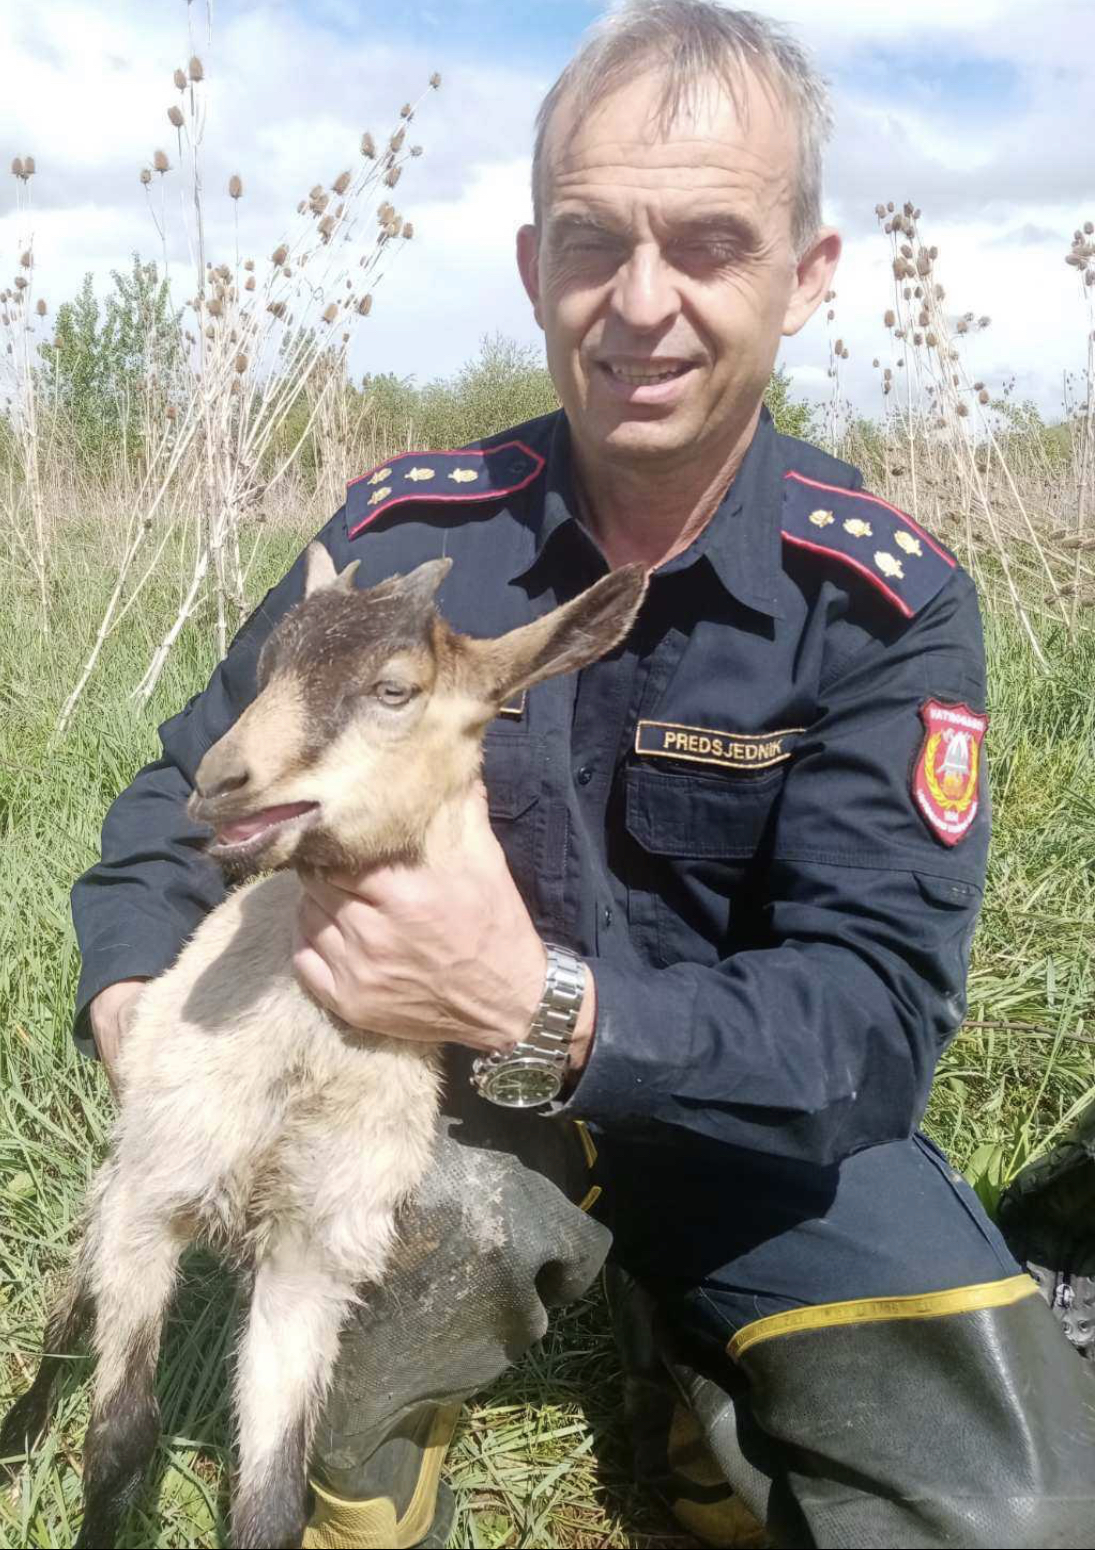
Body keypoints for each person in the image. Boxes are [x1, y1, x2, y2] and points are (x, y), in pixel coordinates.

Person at [70, 3, 1095, 1545]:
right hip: (452, 1123)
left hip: (765, 1147)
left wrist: (541, 1001)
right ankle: (369, 1443)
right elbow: (183, 805)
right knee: (392, 1222)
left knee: (1017, 1512)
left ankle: (706, 1380)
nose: (642, 301)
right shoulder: (407, 546)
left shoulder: (881, 600)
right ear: (534, 265)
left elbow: (873, 1022)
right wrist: (144, 1017)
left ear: (808, 276)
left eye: (708, 243)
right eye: (592, 240)